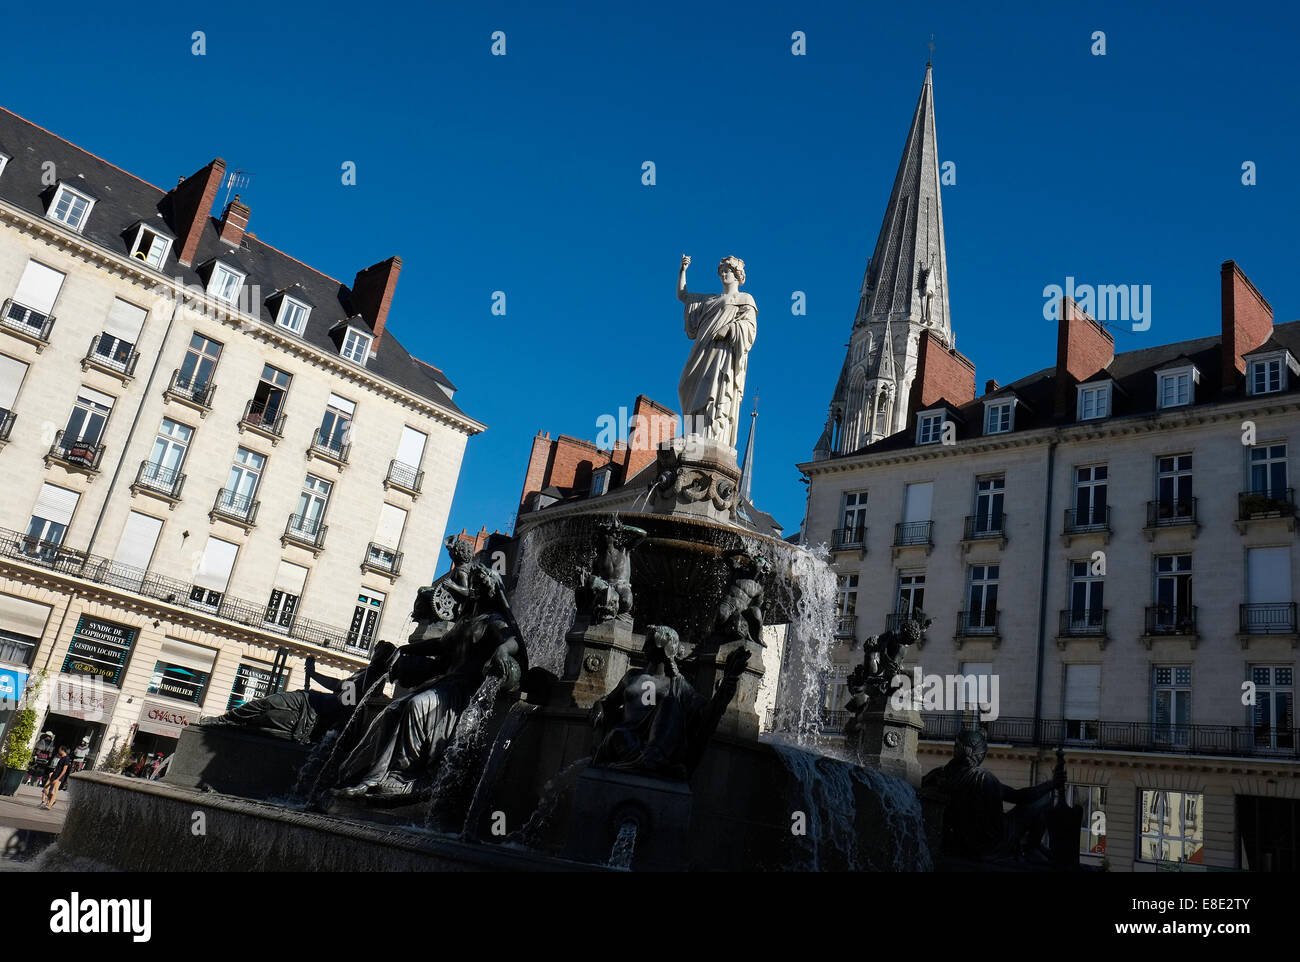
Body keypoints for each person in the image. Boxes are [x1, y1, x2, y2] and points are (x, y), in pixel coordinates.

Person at [676, 253, 757, 447]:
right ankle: (691, 434)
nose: (723, 274)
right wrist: (683, 271)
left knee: (714, 390)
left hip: (723, 354)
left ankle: (711, 436)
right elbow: (683, 296)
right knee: (685, 386)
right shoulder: (709, 299)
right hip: (702, 351)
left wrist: (730, 328)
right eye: (721, 271)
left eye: (727, 271)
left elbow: (750, 328)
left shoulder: (745, 299)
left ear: (737, 274)